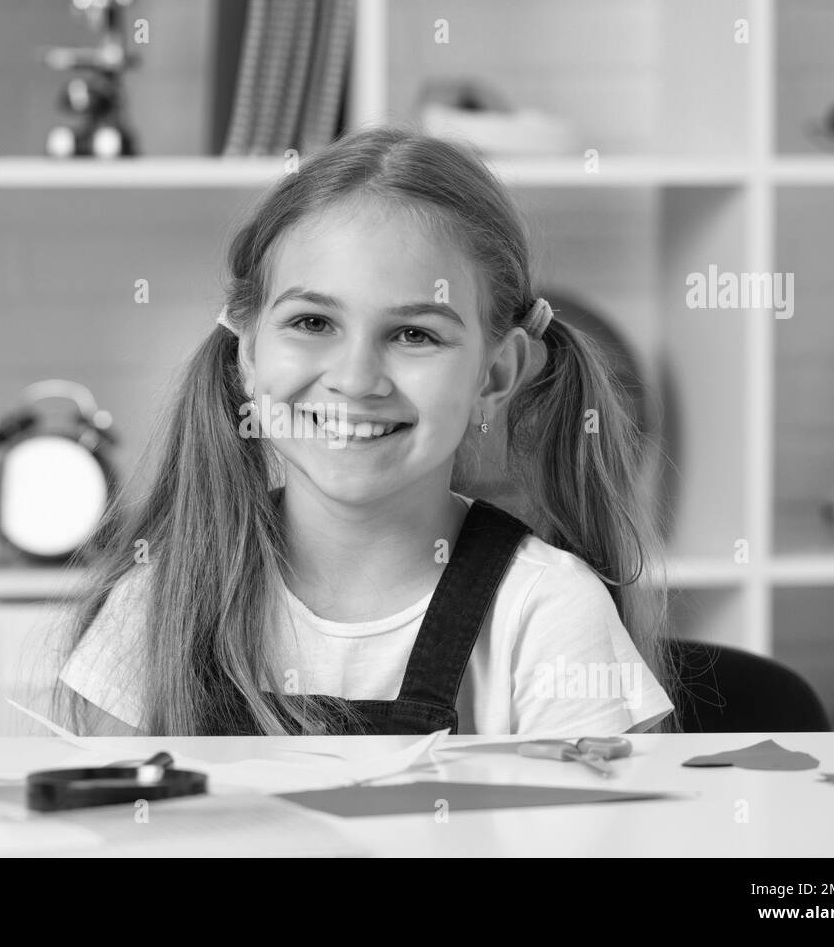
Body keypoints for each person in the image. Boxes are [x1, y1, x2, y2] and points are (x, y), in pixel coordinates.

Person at [54, 124, 676, 737]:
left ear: (494, 374)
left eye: (414, 335)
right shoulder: (159, 599)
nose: (355, 380)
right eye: (313, 322)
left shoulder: (545, 610)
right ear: (247, 354)